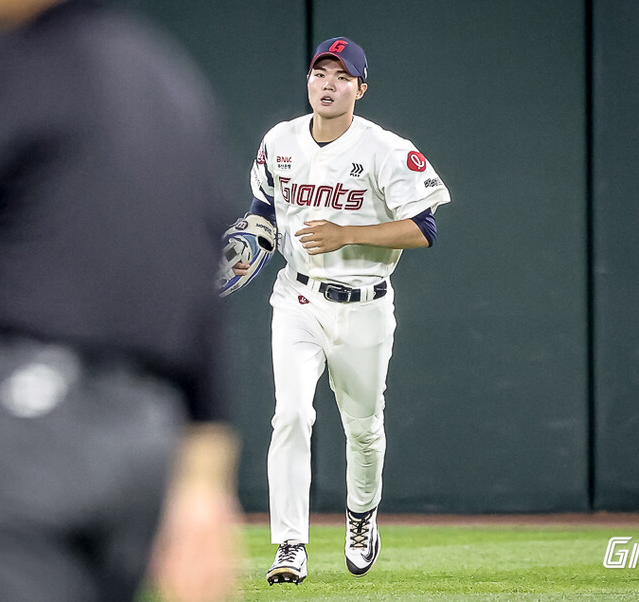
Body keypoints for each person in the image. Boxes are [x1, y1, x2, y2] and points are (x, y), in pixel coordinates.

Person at [0, 0, 241, 600]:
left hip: (22, 424)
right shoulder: (168, 80)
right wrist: (203, 475)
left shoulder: (8, 66)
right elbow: (205, 283)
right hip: (146, 432)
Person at [232, 36, 451, 584]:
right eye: (319, 73)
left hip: (364, 306)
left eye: (341, 76)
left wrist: (346, 233)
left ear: (360, 88)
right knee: (291, 415)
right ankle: (289, 545)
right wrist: (254, 237)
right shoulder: (279, 141)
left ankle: (360, 516)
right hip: (297, 298)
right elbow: (264, 206)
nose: (327, 84)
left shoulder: (386, 149)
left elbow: (424, 230)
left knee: (364, 428)